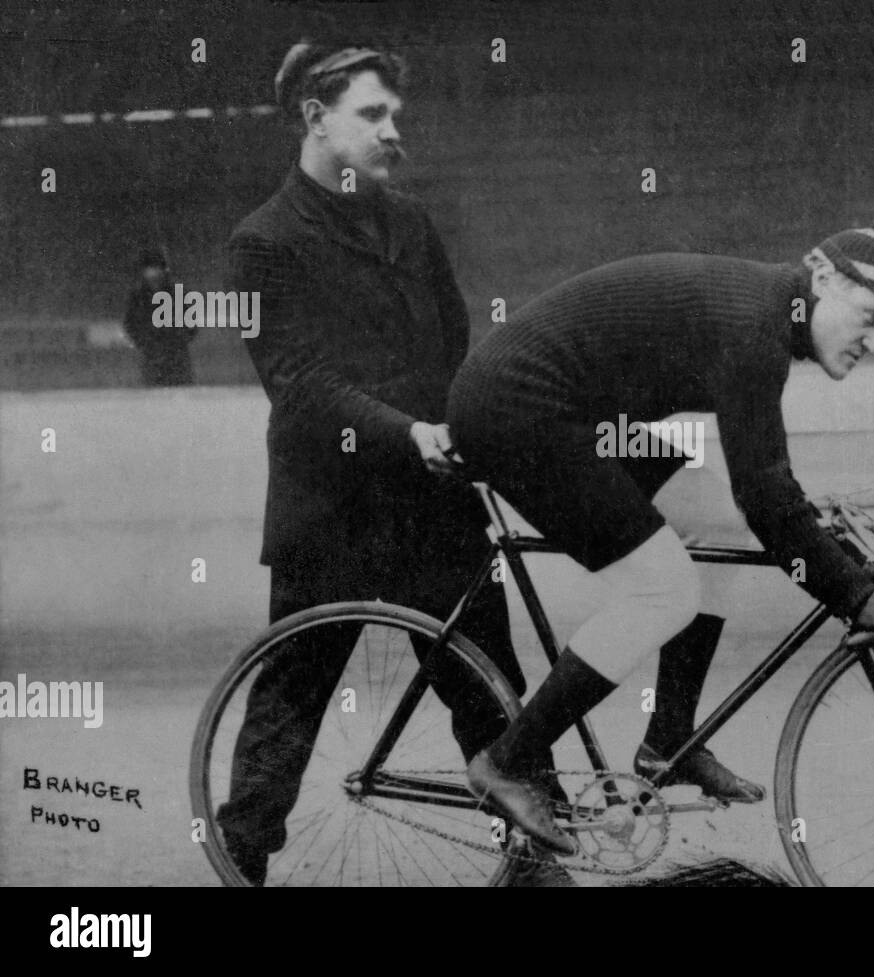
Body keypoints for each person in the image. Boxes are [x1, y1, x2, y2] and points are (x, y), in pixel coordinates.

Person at [446, 224, 874, 854]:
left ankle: (667, 741)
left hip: (582, 417)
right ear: (823, 280)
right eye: (870, 316)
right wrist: (852, 593)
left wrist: (858, 568)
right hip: (518, 413)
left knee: (716, 516)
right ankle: (506, 762)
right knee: (665, 589)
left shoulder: (768, 314)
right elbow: (766, 492)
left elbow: (758, 494)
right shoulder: (755, 325)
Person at [217, 39, 546, 885]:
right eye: (372, 113)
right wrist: (407, 431)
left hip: (433, 500)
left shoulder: (408, 219)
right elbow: (298, 385)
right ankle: (240, 852)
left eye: (395, 114)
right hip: (330, 507)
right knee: (291, 698)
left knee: (494, 690)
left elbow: (453, 336)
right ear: (314, 118)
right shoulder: (262, 242)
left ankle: (539, 856)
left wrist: (457, 424)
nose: (392, 130)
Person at [122, 249, 196, 385]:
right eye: (150, 268)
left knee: (181, 396)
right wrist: (146, 342)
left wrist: (175, 342)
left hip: (177, 359)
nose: (153, 273)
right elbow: (130, 324)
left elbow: (191, 326)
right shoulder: (137, 296)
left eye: (156, 268)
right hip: (152, 358)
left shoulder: (178, 294)